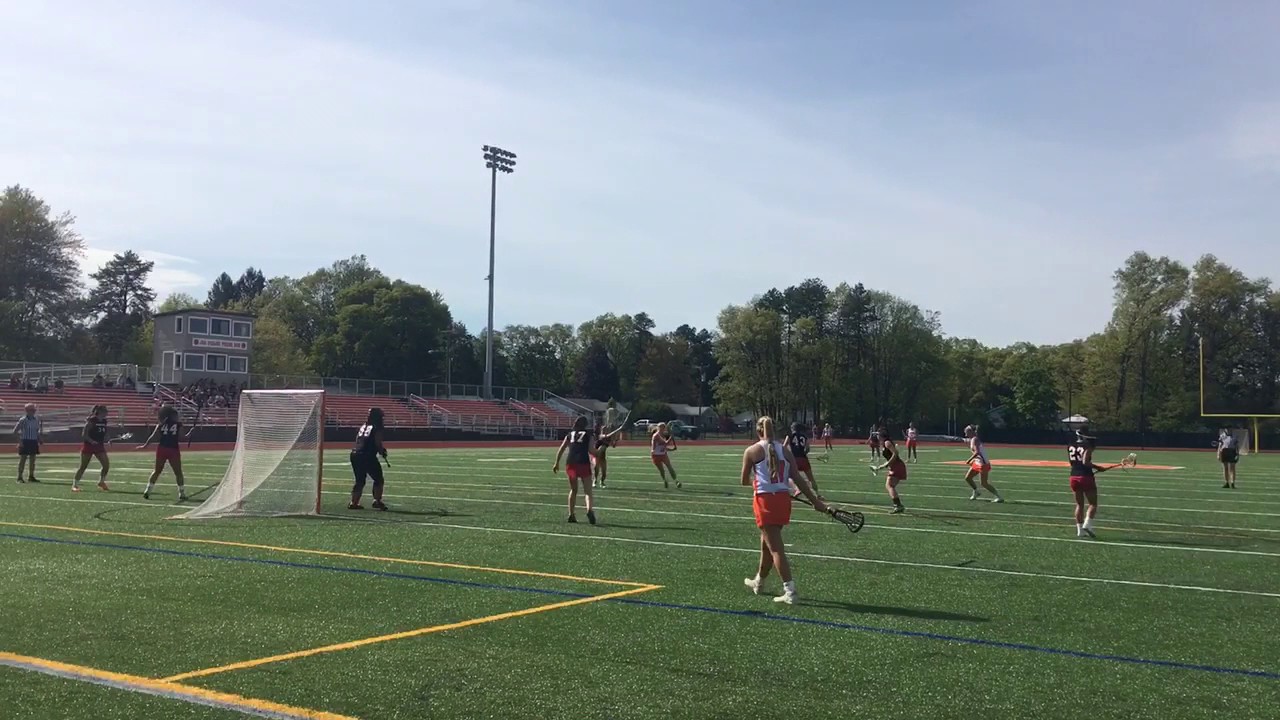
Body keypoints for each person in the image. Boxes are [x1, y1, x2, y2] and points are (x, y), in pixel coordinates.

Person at [742, 416, 826, 604]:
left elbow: (744, 480)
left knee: (776, 549)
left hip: (765, 502)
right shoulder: (785, 451)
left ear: (758, 431)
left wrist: (758, 482)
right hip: (783, 501)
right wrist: (815, 501)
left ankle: (790, 591)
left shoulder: (751, 451)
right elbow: (798, 479)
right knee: (766, 544)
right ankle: (759, 581)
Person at [137, 405, 190, 500]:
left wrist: (145, 445)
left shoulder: (161, 424)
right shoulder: (178, 425)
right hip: (173, 449)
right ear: (172, 415)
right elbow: (182, 437)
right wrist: (190, 434)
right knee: (178, 472)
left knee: (157, 471)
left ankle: (147, 490)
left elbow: (153, 437)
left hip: (162, 449)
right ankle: (181, 493)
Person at [553, 416, 599, 524]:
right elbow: (591, 451)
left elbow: (561, 449)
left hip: (571, 462)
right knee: (588, 491)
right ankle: (589, 510)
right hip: (583, 462)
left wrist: (556, 463)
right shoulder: (588, 435)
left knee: (573, 490)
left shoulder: (570, 435)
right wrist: (600, 451)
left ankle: (571, 514)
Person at [349, 408, 389, 510]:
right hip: (367, 455)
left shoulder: (364, 426)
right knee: (378, 479)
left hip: (355, 454)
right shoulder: (377, 427)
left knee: (360, 480)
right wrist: (382, 451)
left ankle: (354, 502)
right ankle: (377, 501)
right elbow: (377, 442)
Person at [1068, 427, 1102, 538]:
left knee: (1079, 504)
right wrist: (1098, 467)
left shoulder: (1070, 445)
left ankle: (1080, 531)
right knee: (1093, 503)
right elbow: (1085, 462)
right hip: (1086, 476)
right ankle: (1087, 524)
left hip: (1073, 476)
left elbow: (1073, 462)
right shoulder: (1088, 446)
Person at [73, 405, 111, 492]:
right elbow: (84, 435)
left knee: (106, 465)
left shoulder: (104, 421)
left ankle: (101, 482)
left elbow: (104, 432)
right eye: (105, 411)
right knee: (83, 466)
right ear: (100, 411)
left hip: (99, 446)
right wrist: (91, 441)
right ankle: (75, 485)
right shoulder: (91, 421)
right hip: (89, 446)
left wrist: (108, 438)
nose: (107, 413)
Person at [962, 425, 1003, 503]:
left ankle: (999, 497)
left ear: (971, 432)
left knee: (984, 483)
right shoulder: (973, 439)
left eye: (966, 432)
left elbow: (977, 452)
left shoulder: (975, 439)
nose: (965, 434)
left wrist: (969, 460)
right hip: (978, 462)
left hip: (983, 464)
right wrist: (974, 460)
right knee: (968, 478)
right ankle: (976, 491)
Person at [873, 426, 909, 513]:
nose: (877, 436)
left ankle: (898, 506)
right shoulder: (884, 443)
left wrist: (887, 464)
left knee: (889, 485)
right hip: (895, 466)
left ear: (881, 435)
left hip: (897, 466)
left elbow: (895, 453)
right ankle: (898, 505)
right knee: (890, 486)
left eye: (878, 435)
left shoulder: (887, 443)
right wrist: (885, 465)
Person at [785, 422, 817, 492]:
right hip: (804, 459)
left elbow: (783, 447)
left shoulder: (790, 436)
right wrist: (803, 453)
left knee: (789, 476)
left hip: (794, 459)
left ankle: (797, 489)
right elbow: (807, 449)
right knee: (811, 479)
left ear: (793, 428)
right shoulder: (804, 436)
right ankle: (817, 494)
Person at [14, 403, 41, 484]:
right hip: (25, 441)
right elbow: (15, 431)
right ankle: (19, 477)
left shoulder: (36, 420)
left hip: (33, 441)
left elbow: (36, 431)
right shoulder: (23, 420)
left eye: (34, 410)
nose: (34, 411)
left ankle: (31, 476)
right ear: (27, 410)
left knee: (32, 460)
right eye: (32, 410)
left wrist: (39, 439)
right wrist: (20, 442)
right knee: (23, 459)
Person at [592, 421, 624, 488]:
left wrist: (615, 440)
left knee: (604, 472)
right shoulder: (600, 436)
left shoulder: (609, 439)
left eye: (605, 429)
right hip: (596, 455)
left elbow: (613, 445)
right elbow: (607, 435)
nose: (604, 430)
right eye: (603, 429)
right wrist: (618, 429)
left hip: (602, 456)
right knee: (596, 468)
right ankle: (595, 481)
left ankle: (602, 482)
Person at [650, 423, 680, 488]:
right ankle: (665, 480)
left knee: (670, 468)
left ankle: (676, 481)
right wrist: (671, 438)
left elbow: (663, 447)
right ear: (659, 428)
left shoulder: (663, 435)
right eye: (662, 427)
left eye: (664, 427)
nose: (664, 429)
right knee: (662, 470)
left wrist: (672, 449)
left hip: (663, 454)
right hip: (656, 455)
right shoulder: (656, 435)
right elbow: (665, 443)